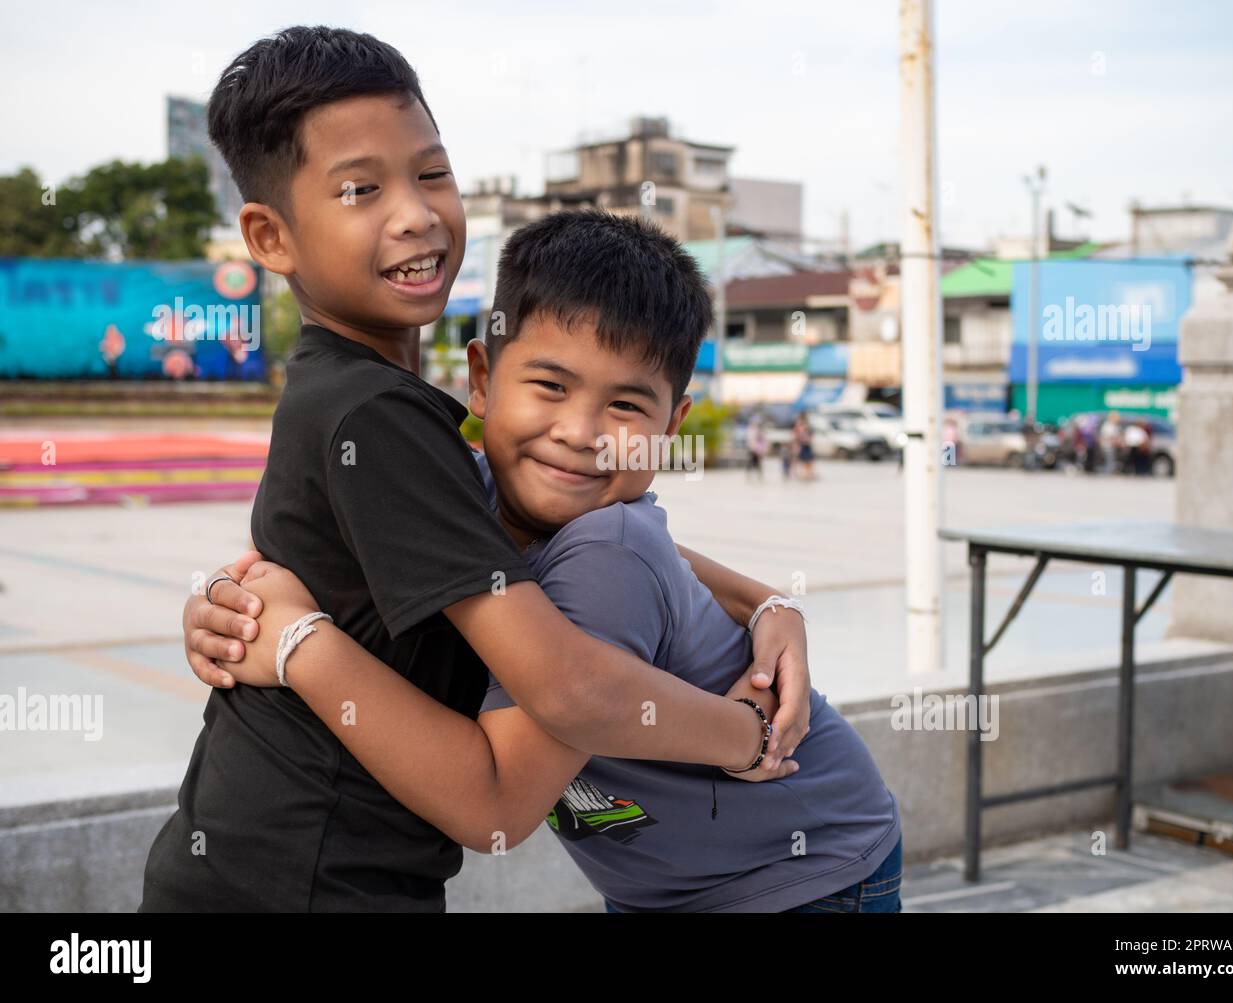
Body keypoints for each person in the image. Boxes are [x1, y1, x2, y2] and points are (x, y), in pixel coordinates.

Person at [145, 27, 811, 913]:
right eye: (360, 189)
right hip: (299, 883)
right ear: (271, 236)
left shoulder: (357, 397)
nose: (416, 215)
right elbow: (561, 695)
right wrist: (749, 735)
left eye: (432, 174)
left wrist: (764, 603)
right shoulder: (376, 415)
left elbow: (534, 539)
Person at [198, 210, 902, 912]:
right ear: (481, 378)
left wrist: (297, 643)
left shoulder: (607, 557)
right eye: (550, 386)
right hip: (677, 885)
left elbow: (494, 809)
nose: (579, 432)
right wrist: (228, 607)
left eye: (625, 404)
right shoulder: (468, 490)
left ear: (671, 428)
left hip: (803, 874)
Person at [793, 412, 816, 480]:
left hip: (805, 445)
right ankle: (804, 474)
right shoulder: (801, 426)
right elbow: (797, 435)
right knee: (804, 461)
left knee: (806, 461)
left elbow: (797, 435)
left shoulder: (804, 426)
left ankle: (807, 474)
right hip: (803, 445)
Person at [745, 411, 767, 480]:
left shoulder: (759, 430)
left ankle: (759, 475)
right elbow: (749, 439)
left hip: (757, 449)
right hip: (752, 449)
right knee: (751, 462)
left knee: (758, 463)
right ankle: (750, 475)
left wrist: (762, 449)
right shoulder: (751, 429)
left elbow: (762, 440)